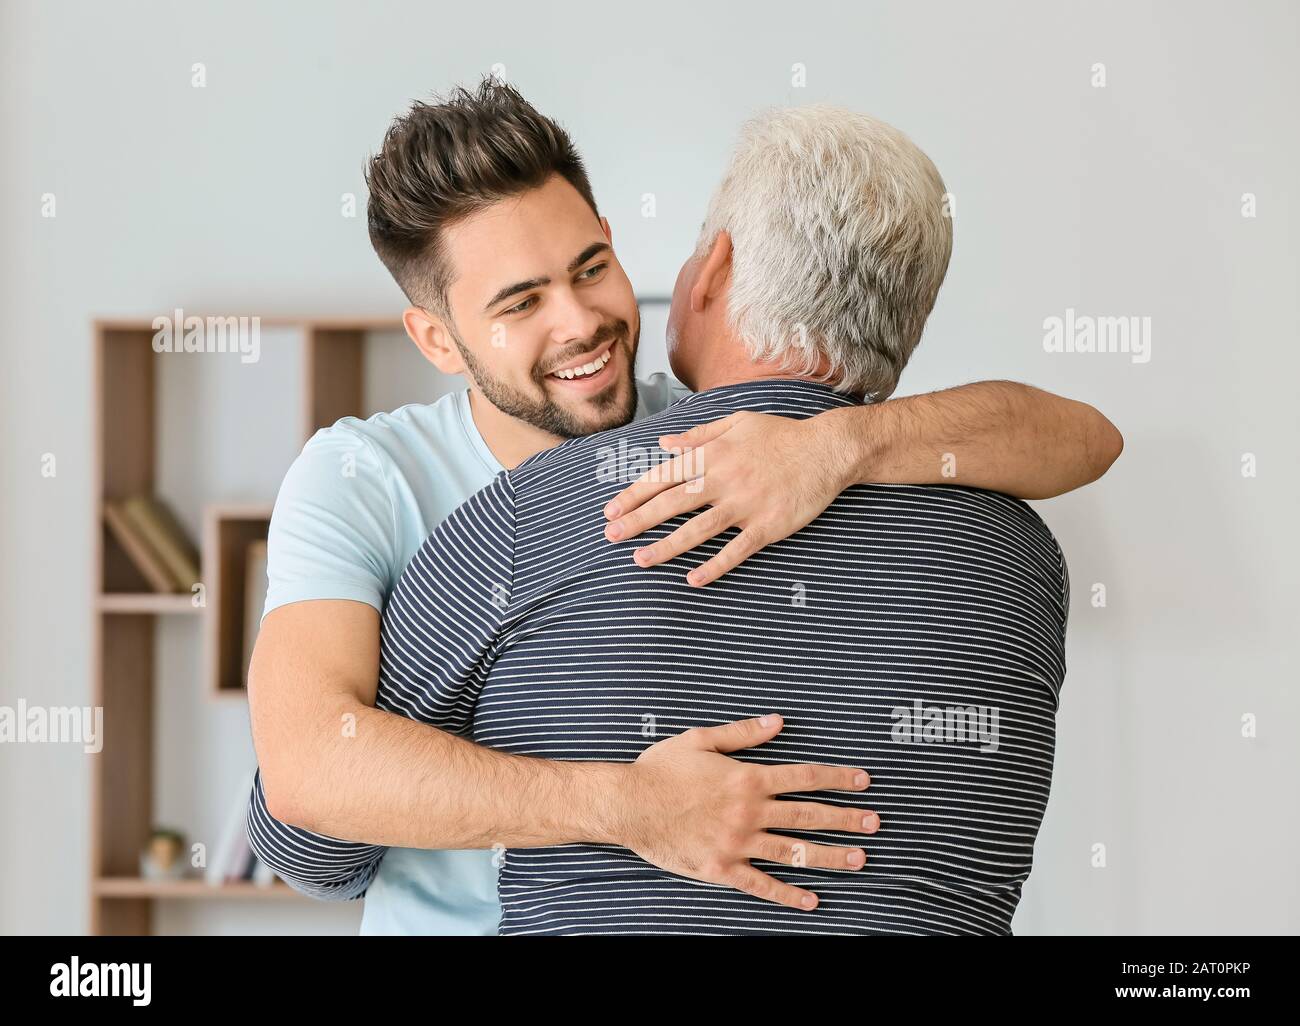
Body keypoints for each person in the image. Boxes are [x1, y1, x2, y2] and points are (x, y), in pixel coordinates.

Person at [246, 79, 1121, 935]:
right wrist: (629, 804)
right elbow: (310, 777)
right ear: (438, 337)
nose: (581, 322)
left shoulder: (725, 434)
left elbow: (1083, 438)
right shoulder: (364, 478)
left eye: (592, 268)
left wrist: (831, 447)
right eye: (521, 304)